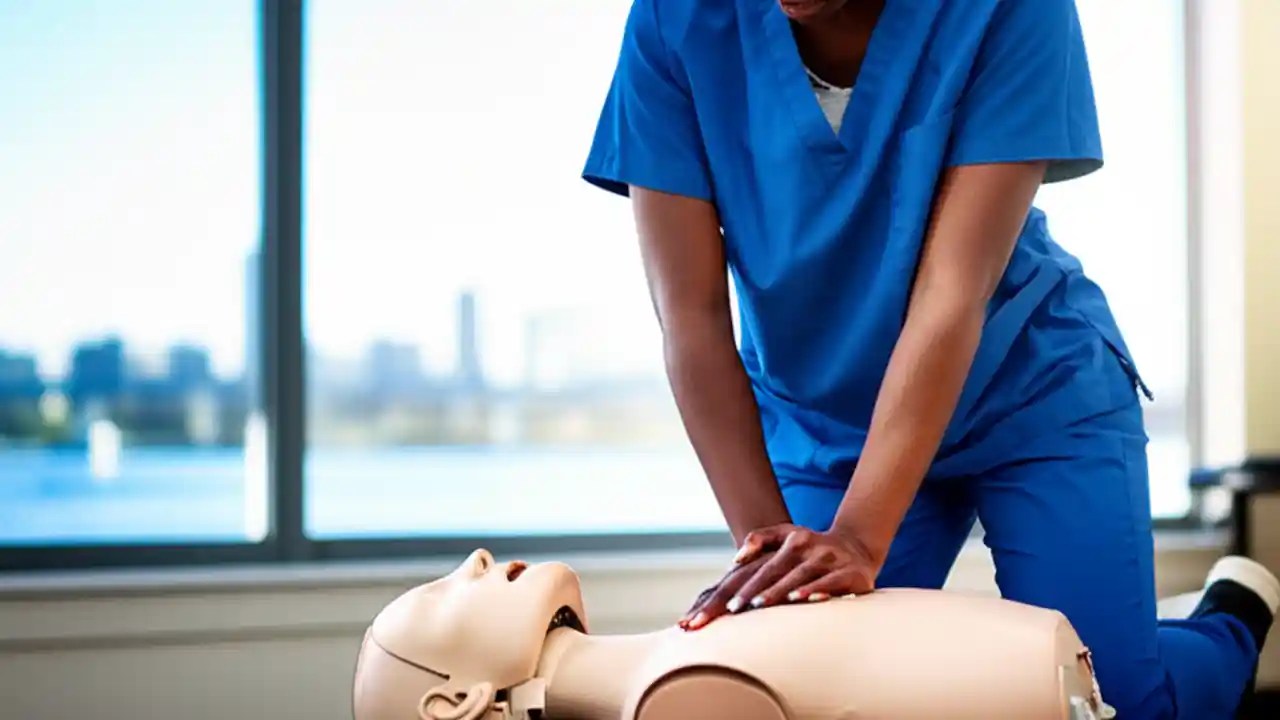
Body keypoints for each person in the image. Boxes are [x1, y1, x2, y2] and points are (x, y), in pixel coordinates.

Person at [581, 0, 1280, 717]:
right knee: (803, 693)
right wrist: (770, 558)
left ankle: (1227, 624)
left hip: (1031, 395)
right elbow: (691, 321)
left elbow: (953, 294)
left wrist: (857, 537)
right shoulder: (674, 20)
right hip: (832, 424)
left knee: (1110, 702)